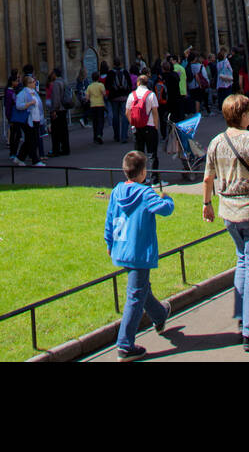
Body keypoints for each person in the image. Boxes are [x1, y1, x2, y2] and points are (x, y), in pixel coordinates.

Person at [202, 93, 249, 352]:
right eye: (248, 112)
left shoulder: (216, 142)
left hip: (228, 212)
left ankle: (243, 319)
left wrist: (206, 204)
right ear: (243, 115)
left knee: (242, 262)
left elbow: (207, 179)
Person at [104, 150, 175, 362]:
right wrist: (168, 198)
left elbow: (110, 218)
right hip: (139, 251)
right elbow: (164, 209)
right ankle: (125, 345)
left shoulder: (117, 191)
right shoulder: (145, 193)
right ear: (143, 172)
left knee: (142, 289)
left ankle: (160, 314)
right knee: (135, 296)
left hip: (121, 248)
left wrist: (109, 242)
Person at [127, 73, 161, 182]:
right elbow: (155, 112)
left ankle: (140, 179)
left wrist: (132, 123)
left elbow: (127, 111)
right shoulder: (151, 95)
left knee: (138, 155)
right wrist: (156, 126)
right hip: (150, 126)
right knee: (152, 153)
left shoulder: (132, 95)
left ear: (138, 83)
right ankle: (154, 179)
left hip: (137, 127)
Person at [13, 75, 44, 166]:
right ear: (28, 83)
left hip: (36, 118)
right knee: (32, 140)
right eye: (33, 82)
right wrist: (29, 103)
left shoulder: (34, 92)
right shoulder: (23, 93)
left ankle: (19, 158)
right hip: (28, 119)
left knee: (30, 140)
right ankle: (36, 160)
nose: (35, 83)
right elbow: (18, 105)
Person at [47, 69, 70, 156]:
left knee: (56, 132)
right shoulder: (64, 81)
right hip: (64, 109)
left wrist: (53, 110)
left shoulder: (56, 83)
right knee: (64, 131)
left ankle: (56, 150)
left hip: (58, 110)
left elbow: (56, 99)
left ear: (55, 74)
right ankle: (65, 149)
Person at [107, 59, 130, 144]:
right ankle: (124, 136)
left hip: (114, 97)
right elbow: (129, 84)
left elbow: (107, 85)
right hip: (124, 97)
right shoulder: (125, 72)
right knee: (124, 116)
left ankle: (116, 135)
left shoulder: (111, 73)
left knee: (115, 116)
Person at [86, 71, 107, 143]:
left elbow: (87, 98)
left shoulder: (89, 86)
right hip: (100, 104)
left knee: (95, 121)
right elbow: (104, 94)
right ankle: (99, 134)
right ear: (98, 78)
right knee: (101, 121)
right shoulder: (101, 85)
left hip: (93, 105)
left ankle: (95, 136)